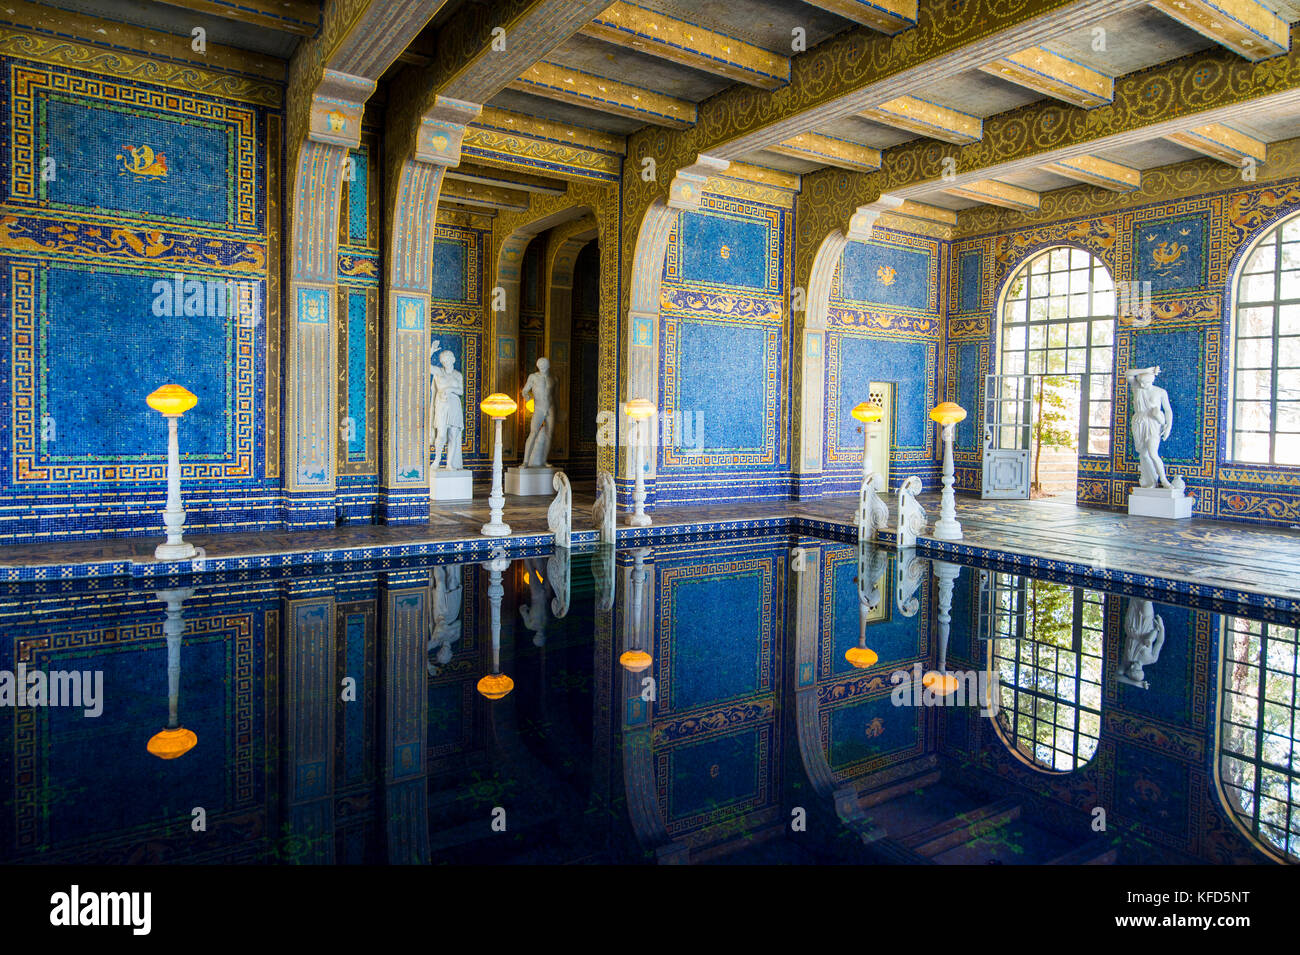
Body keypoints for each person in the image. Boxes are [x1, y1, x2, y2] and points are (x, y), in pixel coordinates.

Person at [1127, 365, 1173, 488]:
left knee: (1153, 453)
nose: (1142, 385)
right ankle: (1151, 480)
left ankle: (1164, 480)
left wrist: (1168, 426)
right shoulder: (1137, 388)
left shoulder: (1160, 392)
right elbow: (1128, 373)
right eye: (1141, 382)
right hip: (1138, 422)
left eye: (1145, 383)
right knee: (1143, 454)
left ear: (1152, 380)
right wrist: (1146, 370)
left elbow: (1168, 410)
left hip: (1153, 423)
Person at [430, 347, 464, 471]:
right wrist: (431, 352)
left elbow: (461, 391)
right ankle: (437, 460)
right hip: (442, 406)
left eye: (448, 360)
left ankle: (449, 463)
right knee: (441, 434)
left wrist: (450, 389)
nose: (446, 362)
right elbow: (425, 366)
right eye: (443, 361)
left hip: (454, 405)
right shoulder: (438, 372)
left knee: (452, 435)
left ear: (453, 360)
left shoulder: (457, 375)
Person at [521, 356, 556, 468]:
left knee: (549, 434)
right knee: (533, 433)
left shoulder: (554, 378)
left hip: (550, 408)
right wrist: (527, 397)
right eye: (540, 364)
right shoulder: (533, 377)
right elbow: (524, 391)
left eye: (545, 364)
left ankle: (544, 460)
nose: (542, 366)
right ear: (537, 365)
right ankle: (525, 461)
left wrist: (559, 410)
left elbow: (556, 397)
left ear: (548, 365)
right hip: (539, 408)